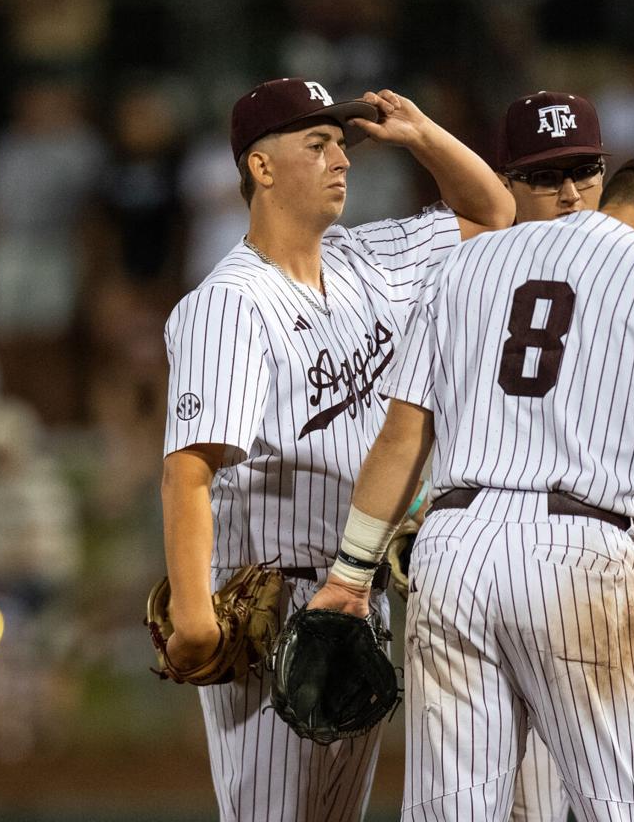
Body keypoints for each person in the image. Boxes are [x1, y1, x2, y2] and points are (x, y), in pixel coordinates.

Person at [309, 147, 634, 821]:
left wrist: (349, 573)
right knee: (615, 806)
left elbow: (402, 434)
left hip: (452, 548)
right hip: (579, 556)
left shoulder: (462, 263)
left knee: (450, 811)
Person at [158, 77, 514, 822]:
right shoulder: (229, 303)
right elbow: (189, 466)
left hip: (360, 591)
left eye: (341, 145)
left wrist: (422, 135)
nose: (340, 160)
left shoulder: (367, 258)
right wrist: (194, 617)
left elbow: (494, 212)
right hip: (274, 606)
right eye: (316, 144)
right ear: (261, 168)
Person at [490, 91, 634, 822]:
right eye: (549, 177)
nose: (569, 195)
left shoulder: (480, 269)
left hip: (547, 568)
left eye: (583, 175)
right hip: (586, 570)